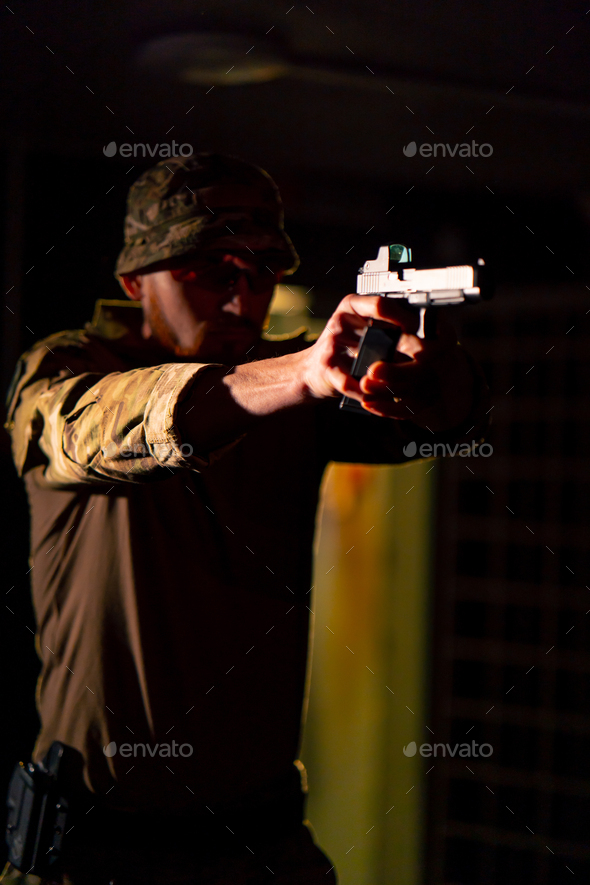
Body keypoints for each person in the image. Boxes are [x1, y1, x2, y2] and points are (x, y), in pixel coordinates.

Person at [2, 153, 489, 885]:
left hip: (261, 843)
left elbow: (444, 424)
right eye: (211, 271)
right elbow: (84, 428)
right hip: (101, 850)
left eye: (261, 271)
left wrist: (426, 373)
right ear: (136, 281)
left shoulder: (291, 389)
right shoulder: (70, 368)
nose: (242, 299)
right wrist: (300, 374)